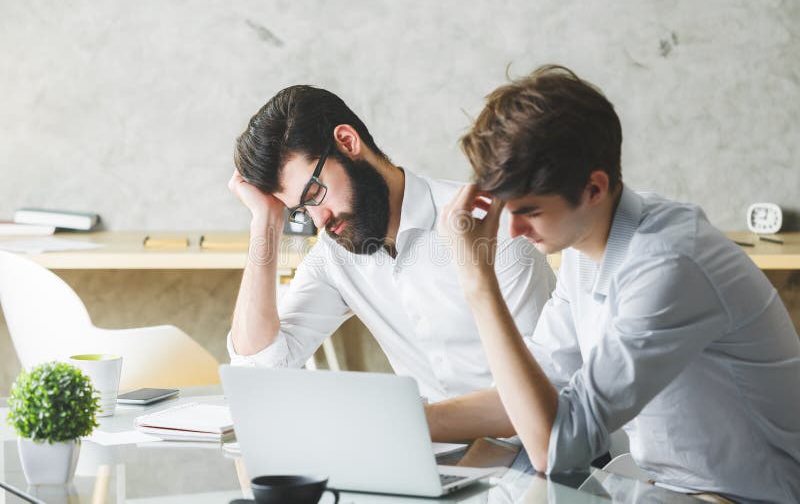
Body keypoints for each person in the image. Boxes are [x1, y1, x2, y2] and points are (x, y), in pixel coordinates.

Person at [431, 65, 800, 502]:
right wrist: (411, 422)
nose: (513, 231)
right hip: (669, 490)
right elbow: (532, 397)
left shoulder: (667, 263)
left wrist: (477, 279)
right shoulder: (583, 247)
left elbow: (553, 446)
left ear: (594, 188)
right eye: (506, 210)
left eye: (528, 211)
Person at [226, 85, 556, 403]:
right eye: (300, 209)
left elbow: (540, 391)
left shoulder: (492, 227)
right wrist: (266, 222)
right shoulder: (334, 256)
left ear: (347, 142)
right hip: (426, 438)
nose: (319, 219)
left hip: (520, 439)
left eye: (314, 194)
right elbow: (260, 369)